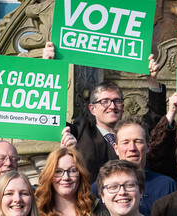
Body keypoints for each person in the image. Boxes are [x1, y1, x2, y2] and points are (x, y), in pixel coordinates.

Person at [43, 42, 167, 179]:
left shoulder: (135, 132)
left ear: (123, 106)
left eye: (117, 101)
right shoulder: (79, 131)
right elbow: (48, 115)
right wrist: (48, 69)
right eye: (104, 102)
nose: (112, 106)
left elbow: (156, 115)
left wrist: (152, 80)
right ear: (92, 109)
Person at [102, 117, 177, 215]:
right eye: (125, 142)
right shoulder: (103, 187)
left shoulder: (167, 186)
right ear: (116, 148)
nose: (132, 148)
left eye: (138, 141)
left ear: (148, 146)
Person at [34, 148, 97, 216]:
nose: (66, 177)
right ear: (49, 175)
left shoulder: (98, 213)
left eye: (72, 171)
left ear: (81, 174)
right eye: (58, 171)